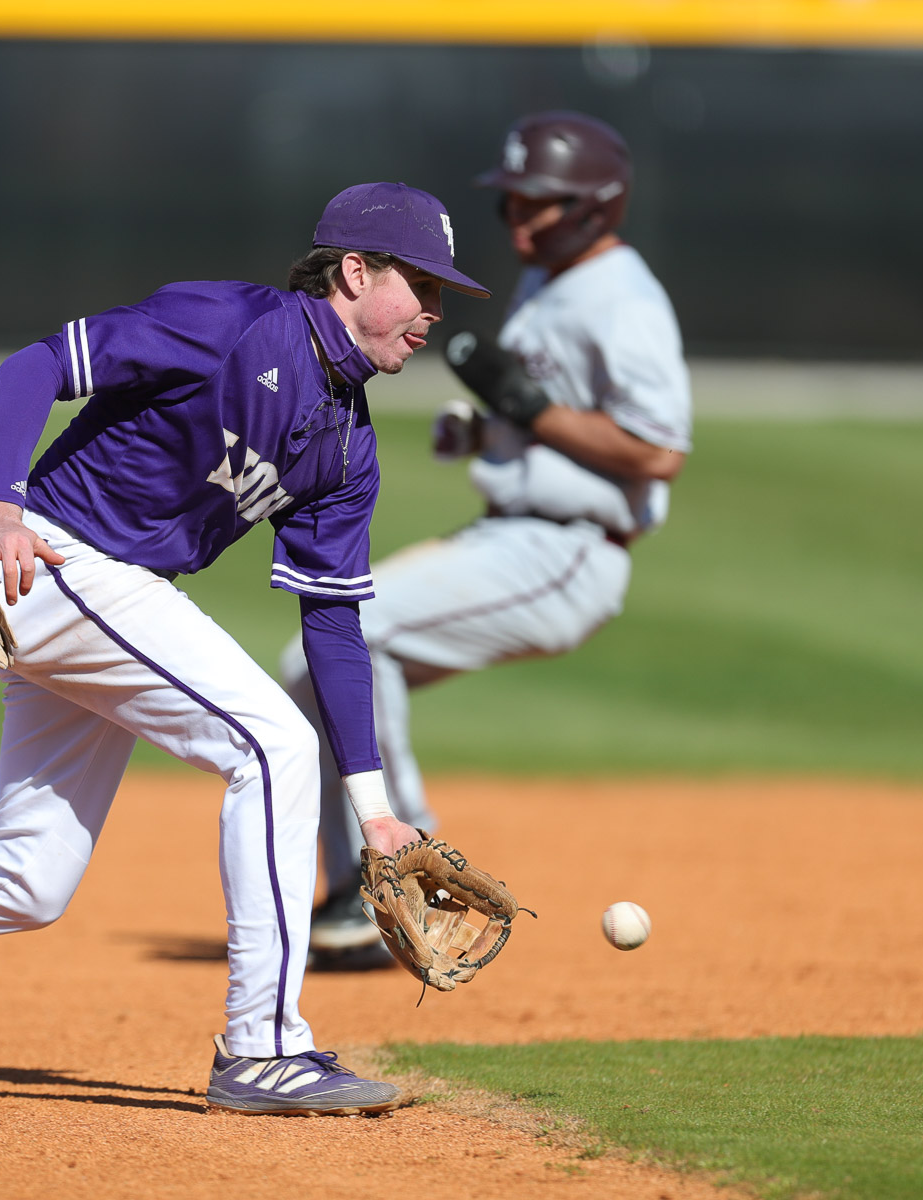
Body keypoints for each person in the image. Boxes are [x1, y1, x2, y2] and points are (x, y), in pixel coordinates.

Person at [0, 182, 489, 1116]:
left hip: (113, 594)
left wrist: (377, 814)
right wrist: (1, 507)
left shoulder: (348, 445)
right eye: (420, 286)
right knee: (270, 744)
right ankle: (264, 1048)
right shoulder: (227, 322)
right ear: (354, 271)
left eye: (440, 296)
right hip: (57, 565)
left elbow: (335, 624)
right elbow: (31, 369)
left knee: (25, 880)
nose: (432, 314)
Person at [285, 113, 692, 962]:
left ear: (593, 206)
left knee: (357, 634)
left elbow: (658, 450)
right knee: (313, 665)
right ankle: (364, 891)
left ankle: (407, 874)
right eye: (510, 200)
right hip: (513, 530)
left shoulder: (623, 298)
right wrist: (489, 432)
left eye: (536, 203)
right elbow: (547, 416)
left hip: (567, 548)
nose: (517, 219)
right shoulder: (553, 280)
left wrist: (531, 412)